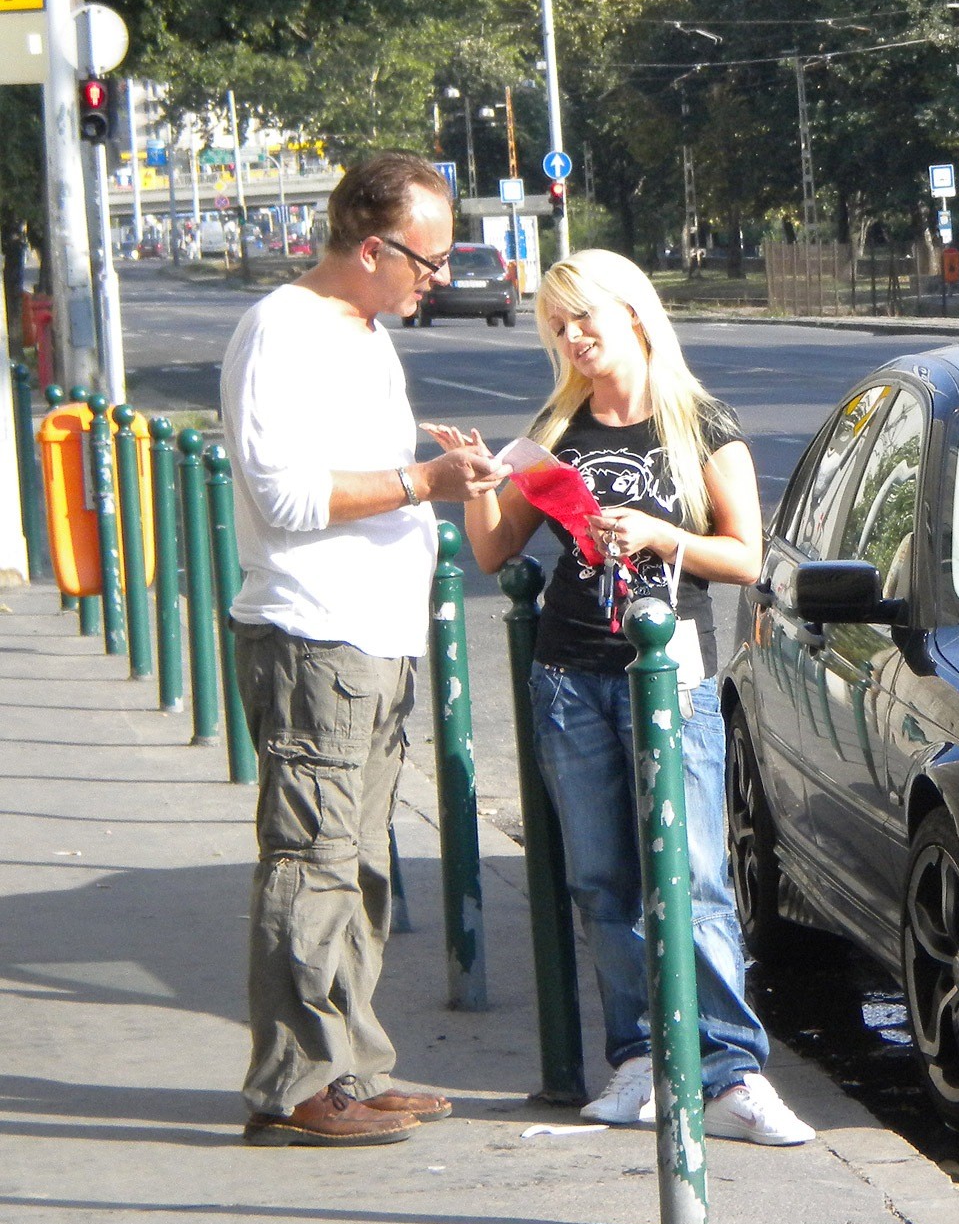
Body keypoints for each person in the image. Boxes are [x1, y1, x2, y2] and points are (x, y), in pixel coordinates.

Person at [454, 248, 813, 1146]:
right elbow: (497, 552)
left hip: (670, 678)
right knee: (603, 880)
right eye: (557, 323)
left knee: (691, 878)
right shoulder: (556, 429)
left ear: (636, 315)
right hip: (571, 678)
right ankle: (640, 1059)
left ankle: (731, 1074)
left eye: (585, 318)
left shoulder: (700, 424)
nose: (572, 336)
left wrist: (659, 534)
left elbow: (747, 557)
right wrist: (477, 489)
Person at [224, 152, 507, 1147]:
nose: (437, 280)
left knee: (361, 866)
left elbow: (371, 473)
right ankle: (298, 1083)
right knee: (312, 862)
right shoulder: (283, 332)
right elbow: (290, 499)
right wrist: (417, 482)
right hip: (316, 635)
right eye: (428, 263)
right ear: (374, 245)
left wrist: (426, 469)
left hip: (374, 640)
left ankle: (352, 1063)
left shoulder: (365, 335)